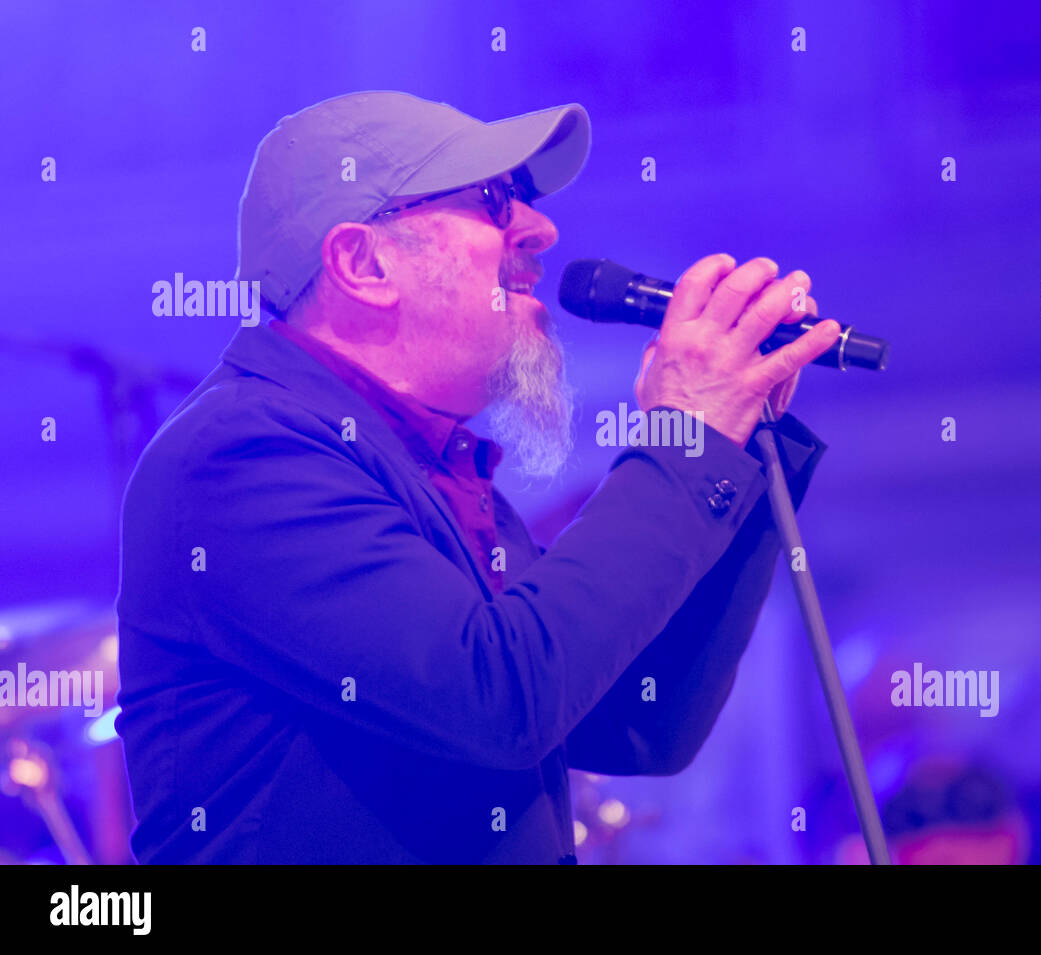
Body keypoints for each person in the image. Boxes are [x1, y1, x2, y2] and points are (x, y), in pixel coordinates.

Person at [114, 90, 842, 863]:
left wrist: (726, 447)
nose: (540, 227)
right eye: (496, 200)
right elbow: (495, 698)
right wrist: (683, 440)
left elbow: (639, 718)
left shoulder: (423, 465)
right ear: (363, 262)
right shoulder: (243, 454)